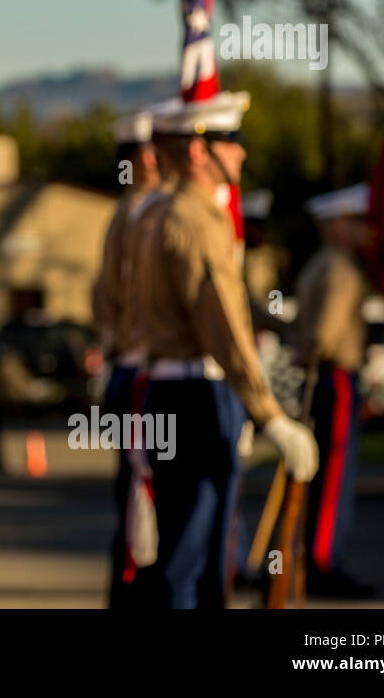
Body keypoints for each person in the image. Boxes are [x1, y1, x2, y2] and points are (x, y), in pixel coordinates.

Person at [136, 91, 319, 608]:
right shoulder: (194, 221)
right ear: (199, 152)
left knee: (193, 550)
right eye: (230, 140)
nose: (240, 153)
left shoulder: (167, 213)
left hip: (178, 390)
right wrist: (270, 415)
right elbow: (222, 326)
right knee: (195, 557)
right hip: (195, 394)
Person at [91, 108, 160, 607]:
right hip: (139, 369)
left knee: (142, 497)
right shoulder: (138, 215)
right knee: (142, 497)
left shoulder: (131, 212)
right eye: (149, 153)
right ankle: (134, 596)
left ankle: (131, 594)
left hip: (132, 366)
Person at [292, 184, 374, 598]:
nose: (364, 230)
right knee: (334, 477)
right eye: (357, 221)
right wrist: (313, 351)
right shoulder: (341, 269)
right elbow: (325, 332)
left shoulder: (319, 263)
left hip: (322, 376)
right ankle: (323, 560)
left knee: (324, 474)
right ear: (338, 225)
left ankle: (317, 559)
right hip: (336, 376)